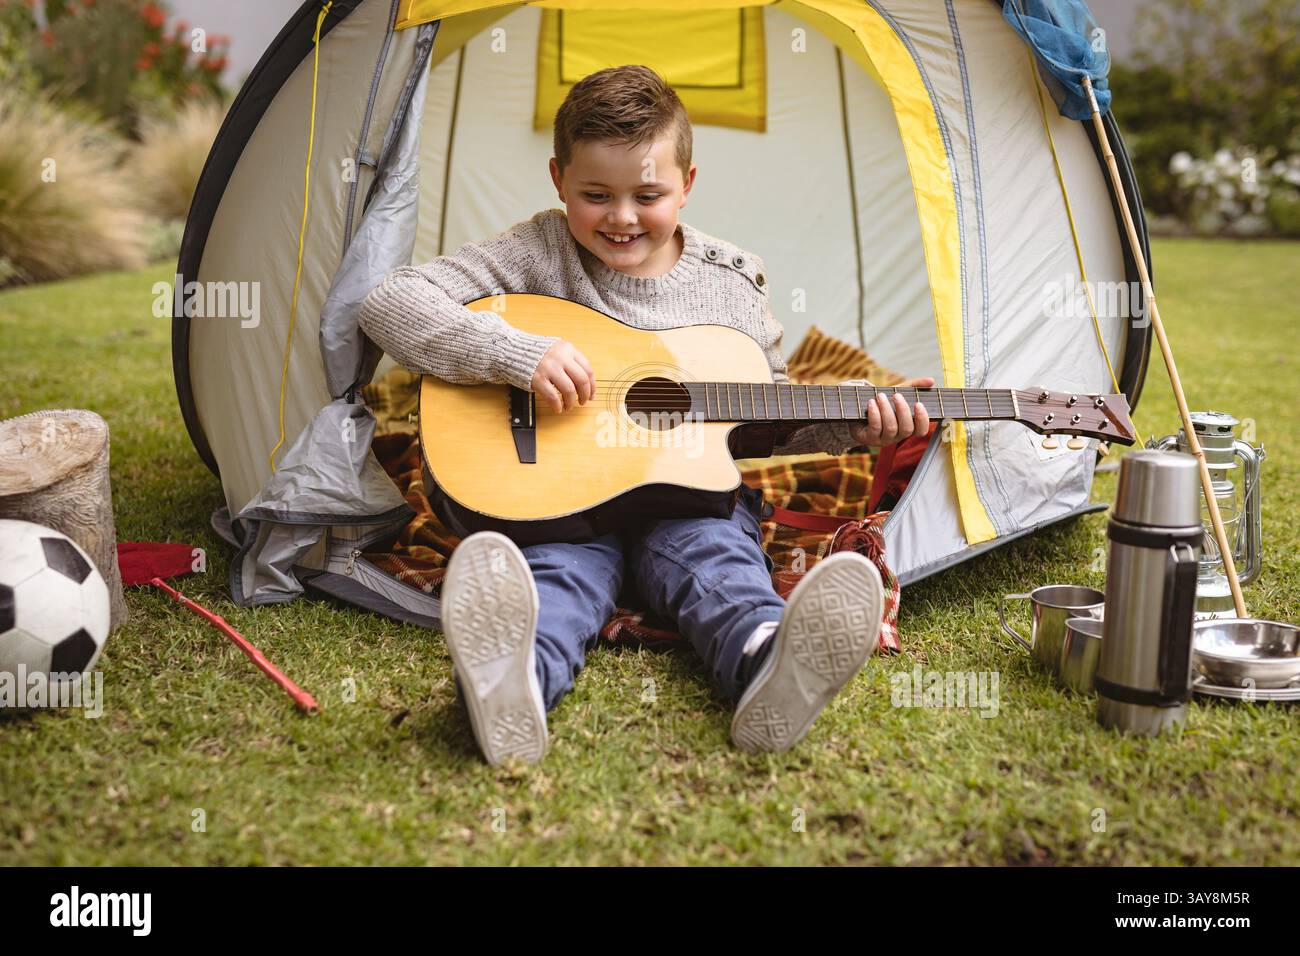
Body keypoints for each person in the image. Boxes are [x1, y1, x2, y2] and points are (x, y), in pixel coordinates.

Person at [359, 65, 931, 764]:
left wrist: (850, 428)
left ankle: (769, 659)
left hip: (686, 501)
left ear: (688, 185)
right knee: (560, 576)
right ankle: (515, 686)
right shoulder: (539, 250)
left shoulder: (734, 282)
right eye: (595, 195)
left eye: (649, 195)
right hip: (552, 494)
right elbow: (389, 301)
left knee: (717, 563)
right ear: (558, 178)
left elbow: (764, 424)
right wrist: (513, 354)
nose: (622, 217)